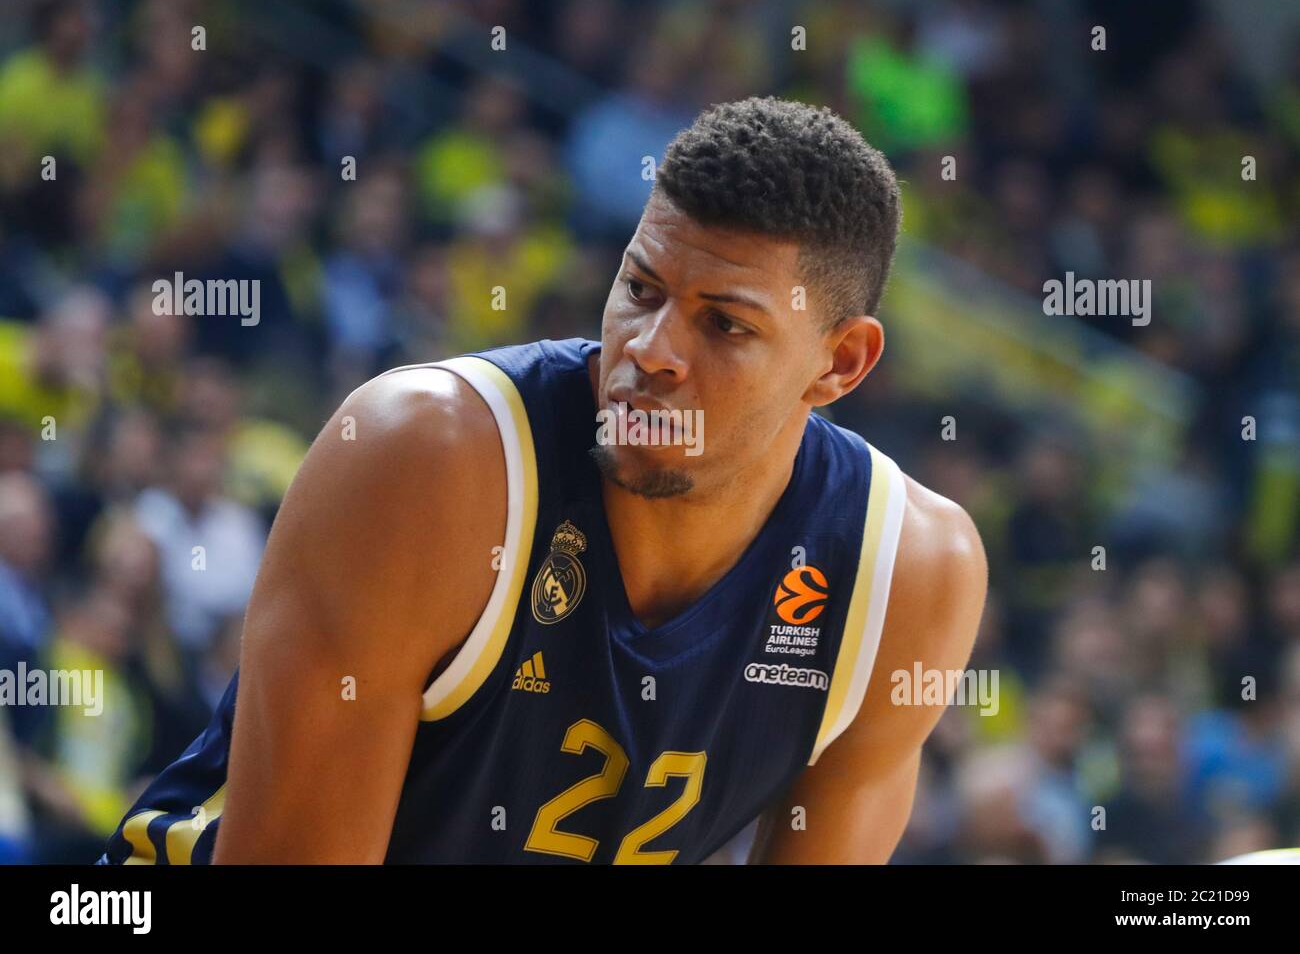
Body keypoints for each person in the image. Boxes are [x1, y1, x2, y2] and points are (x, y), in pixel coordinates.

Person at [97, 96, 987, 865]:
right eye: (641, 289)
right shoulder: (426, 458)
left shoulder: (906, 575)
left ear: (840, 362)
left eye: (724, 326)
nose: (651, 351)